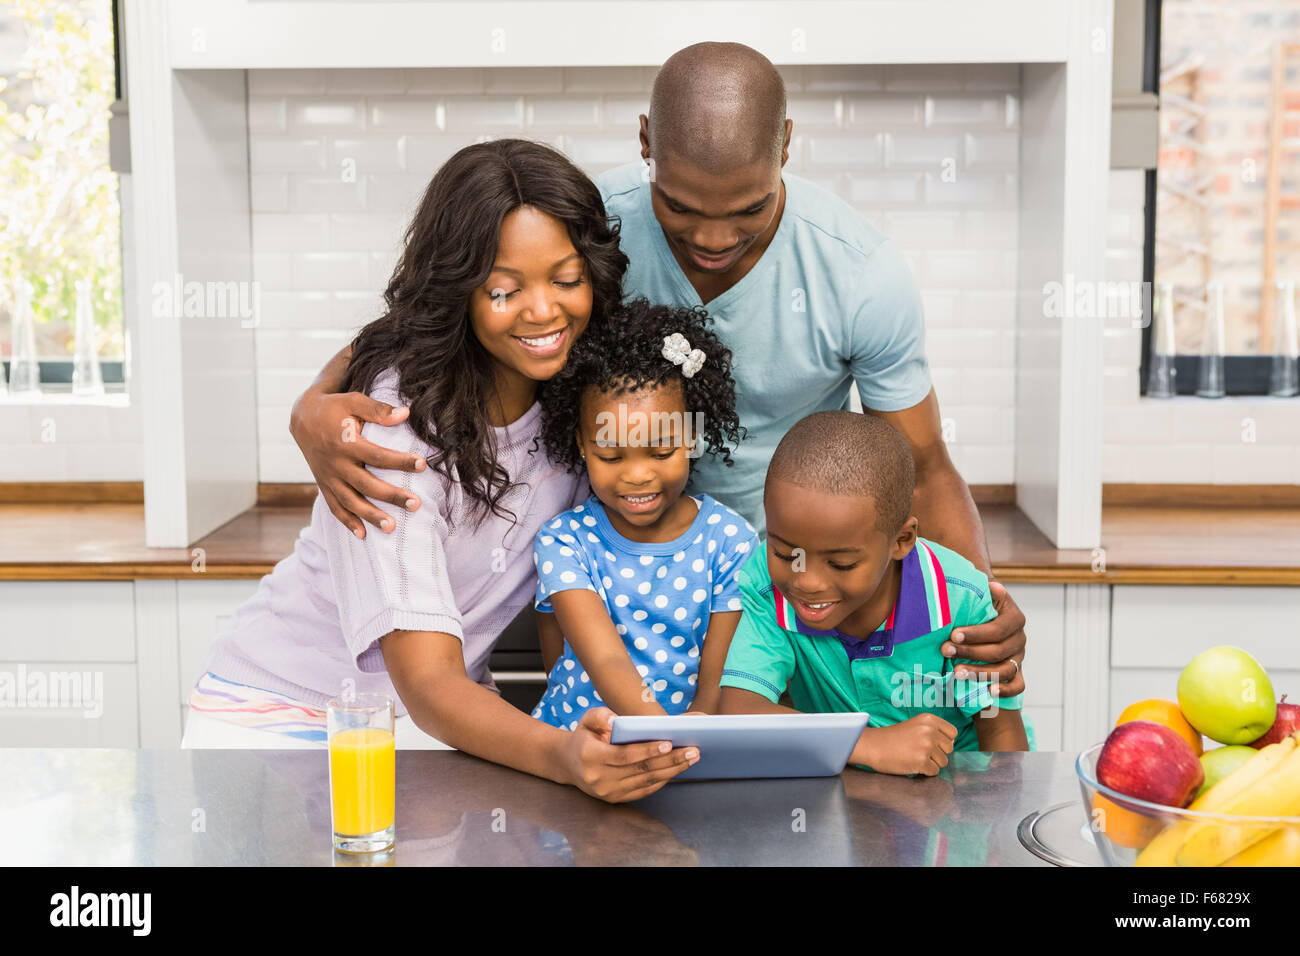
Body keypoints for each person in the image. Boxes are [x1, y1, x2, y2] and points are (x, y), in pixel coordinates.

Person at [286, 41, 1028, 699]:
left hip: (783, 591)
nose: (712, 238)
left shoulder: (860, 276)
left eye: (747, 209)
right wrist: (315, 403)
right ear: (645, 142)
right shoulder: (590, 224)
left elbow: (923, 465)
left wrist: (977, 607)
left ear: (787, 148)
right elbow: (451, 307)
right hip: (610, 575)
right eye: (677, 205)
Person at [183, 139, 700, 804]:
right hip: (284, 719)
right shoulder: (394, 433)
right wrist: (566, 757)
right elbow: (427, 684)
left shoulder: (583, 390)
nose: (543, 311)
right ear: (459, 290)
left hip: (417, 731)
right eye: (504, 289)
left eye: (566, 280)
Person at [718, 411, 1029, 776]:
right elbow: (740, 710)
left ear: (902, 541)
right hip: (848, 790)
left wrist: (995, 822)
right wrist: (866, 744)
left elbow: (1002, 737)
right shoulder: (765, 584)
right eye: (786, 554)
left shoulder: (961, 602)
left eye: (842, 564)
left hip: (958, 792)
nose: (806, 582)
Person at [528, 299, 756, 728]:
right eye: (611, 456)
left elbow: (717, 685)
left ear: (692, 436)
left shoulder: (731, 541)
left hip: (690, 750)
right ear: (581, 445)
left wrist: (689, 744)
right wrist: (657, 737)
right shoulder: (565, 541)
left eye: (662, 451)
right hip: (576, 745)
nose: (637, 475)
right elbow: (604, 660)